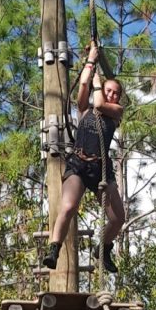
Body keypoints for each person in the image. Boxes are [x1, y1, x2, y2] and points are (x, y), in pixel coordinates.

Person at [43, 42, 125, 273]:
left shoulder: (116, 113)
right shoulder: (85, 110)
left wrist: (99, 84)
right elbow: (83, 84)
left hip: (100, 170)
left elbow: (100, 102)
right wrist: (90, 59)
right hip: (79, 165)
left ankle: (104, 248)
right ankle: (54, 248)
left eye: (115, 93)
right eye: (109, 90)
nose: (111, 94)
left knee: (118, 217)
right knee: (68, 207)